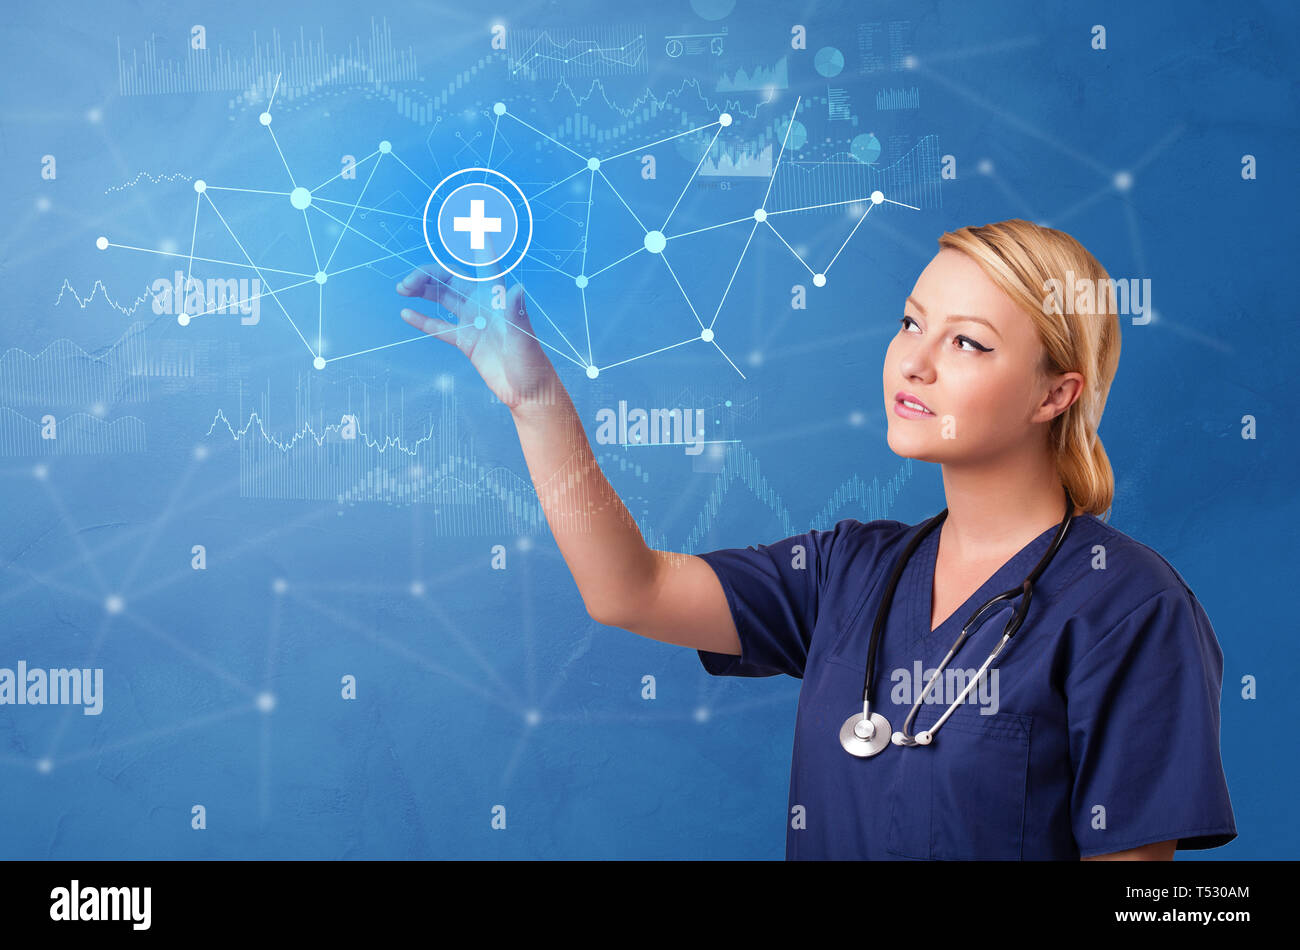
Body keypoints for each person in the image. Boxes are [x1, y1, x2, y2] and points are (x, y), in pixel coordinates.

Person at [395, 218, 1237, 861]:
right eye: (911, 323)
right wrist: (536, 403)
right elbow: (630, 590)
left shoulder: (1131, 611)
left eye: (968, 343)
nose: (915, 362)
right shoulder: (849, 570)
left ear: (1056, 395)